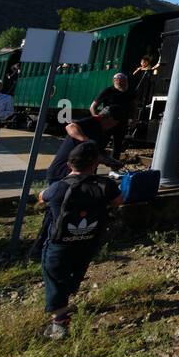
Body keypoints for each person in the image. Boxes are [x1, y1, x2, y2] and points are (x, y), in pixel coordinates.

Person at [37, 141, 123, 340]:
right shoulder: (105, 185)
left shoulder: (59, 187)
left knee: (55, 276)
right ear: (94, 165)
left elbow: (43, 198)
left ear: (69, 165)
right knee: (77, 269)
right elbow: (119, 201)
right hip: (89, 240)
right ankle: (69, 292)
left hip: (61, 243)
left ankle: (59, 320)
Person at [46, 109, 121, 185]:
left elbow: (97, 153)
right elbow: (70, 127)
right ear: (108, 118)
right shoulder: (92, 121)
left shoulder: (101, 131)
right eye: (113, 123)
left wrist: (110, 161)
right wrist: (85, 140)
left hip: (78, 177)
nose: (112, 126)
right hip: (61, 174)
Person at [90, 73, 132, 158]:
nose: (124, 83)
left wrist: (134, 119)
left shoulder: (129, 92)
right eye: (122, 81)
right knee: (102, 145)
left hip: (122, 122)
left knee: (118, 146)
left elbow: (134, 106)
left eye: (125, 81)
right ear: (115, 81)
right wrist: (97, 118)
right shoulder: (108, 91)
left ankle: (114, 168)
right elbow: (92, 107)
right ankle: (93, 167)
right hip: (107, 123)